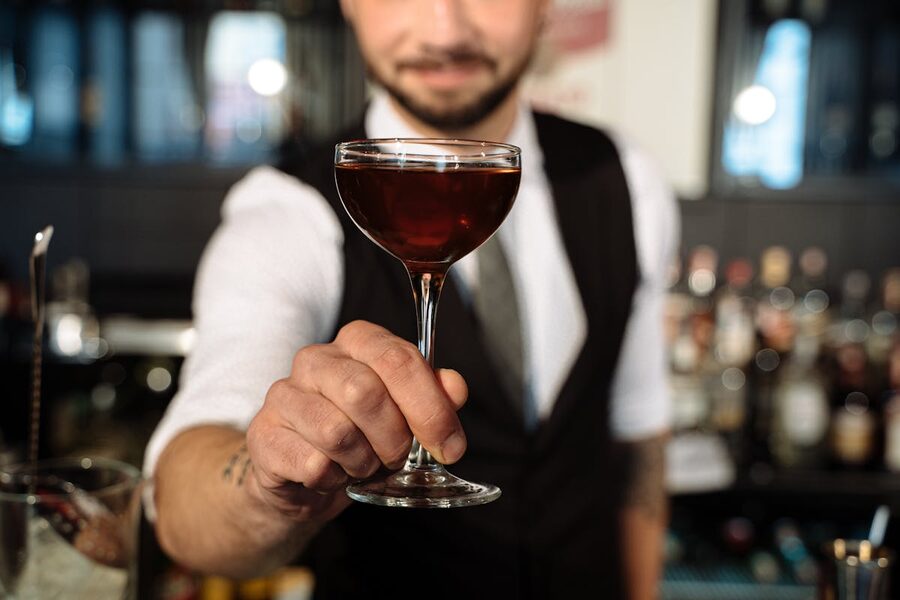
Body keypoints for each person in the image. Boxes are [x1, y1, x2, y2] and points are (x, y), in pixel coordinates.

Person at [145, 1, 679, 598]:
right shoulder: (288, 212)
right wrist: (267, 486)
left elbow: (637, 442)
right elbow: (180, 505)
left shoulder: (627, 178)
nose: (444, 28)